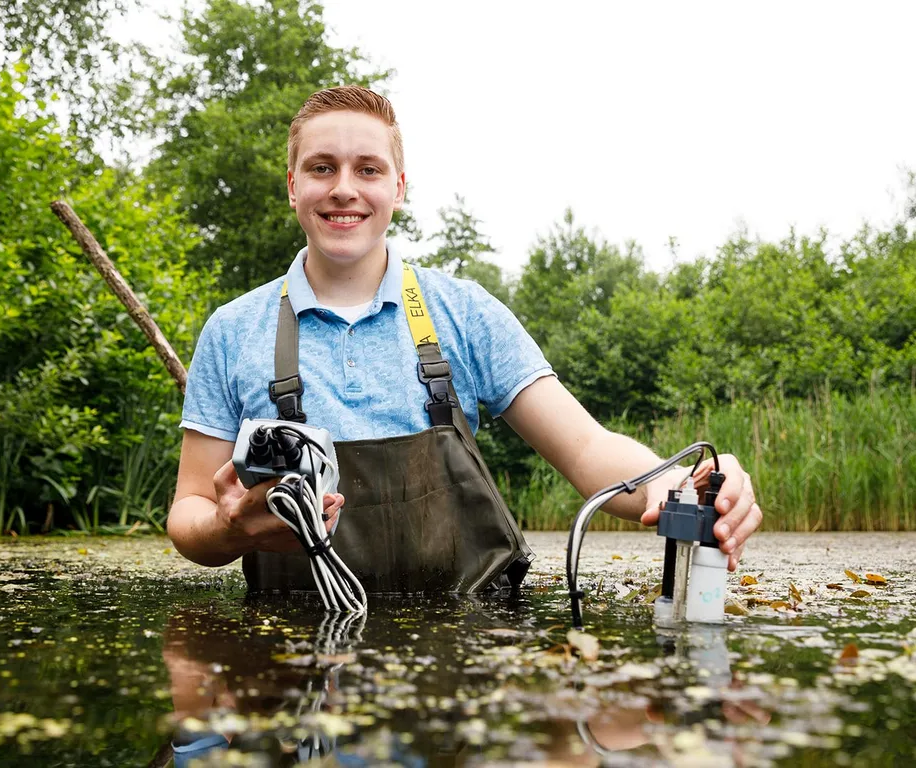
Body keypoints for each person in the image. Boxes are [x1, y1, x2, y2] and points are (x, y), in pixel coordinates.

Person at [167, 86, 762, 592]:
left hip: (463, 656)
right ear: (293, 185)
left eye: (367, 169)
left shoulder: (465, 312)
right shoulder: (232, 330)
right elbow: (190, 510)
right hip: (288, 668)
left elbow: (587, 449)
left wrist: (683, 483)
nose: (344, 188)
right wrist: (228, 529)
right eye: (322, 167)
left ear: (398, 188)